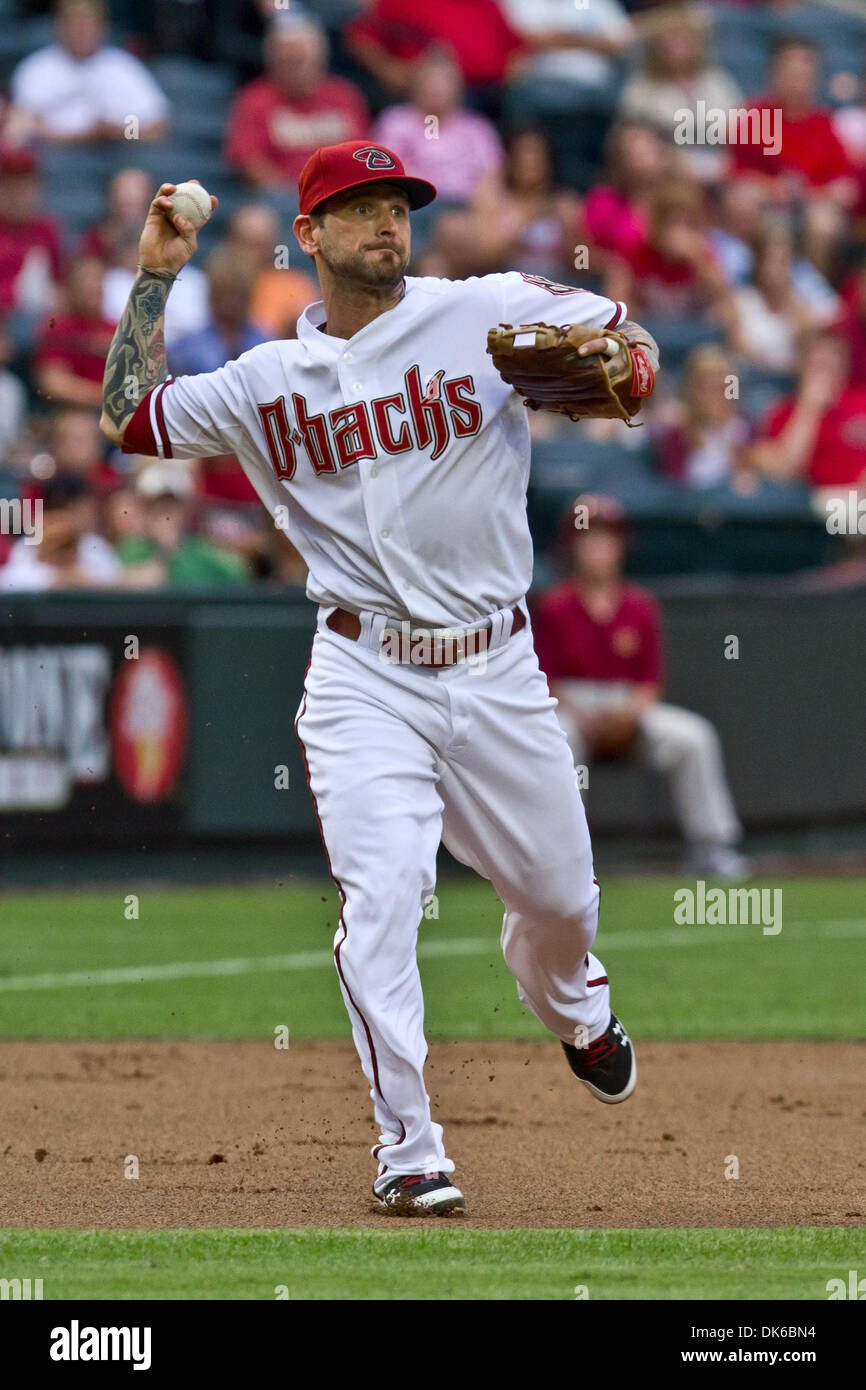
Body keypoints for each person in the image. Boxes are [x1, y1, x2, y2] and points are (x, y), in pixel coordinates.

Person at [100, 140, 661, 1216]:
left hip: (497, 668)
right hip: (365, 675)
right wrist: (158, 268)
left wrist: (628, 355)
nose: (385, 224)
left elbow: (621, 334)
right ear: (306, 234)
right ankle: (408, 1149)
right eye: (357, 208)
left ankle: (574, 1007)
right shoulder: (267, 382)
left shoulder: (483, 309)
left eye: (396, 205)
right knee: (383, 898)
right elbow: (131, 416)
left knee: (559, 900)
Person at [533, 495, 746, 879]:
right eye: (589, 538)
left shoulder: (639, 604)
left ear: (621, 546)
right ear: (572, 546)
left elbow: (650, 682)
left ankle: (712, 848)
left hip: (628, 706)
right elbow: (543, 679)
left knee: (693, 737)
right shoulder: (555, 605)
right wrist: (585, 716)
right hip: (571, 708)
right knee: (559, 742)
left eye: (606, 539)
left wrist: (628, 714)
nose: (598, 548)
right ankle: (564, 861)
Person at [224, 14, 369, 189]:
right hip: (279, 199)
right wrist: (297, 196)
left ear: (321, 57)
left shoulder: (343, 95)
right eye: (290, 59)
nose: (298, 65)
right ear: (272, 60)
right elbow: (249, 162)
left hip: (339, 199)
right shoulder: (255, 98)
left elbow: (362, 156)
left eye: (303, 57)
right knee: (253, 217)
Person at [10, 0, 169, 143]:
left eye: (88, 25)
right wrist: (78, 134)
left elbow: (154, 125)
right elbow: (22, 124)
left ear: (103, 28)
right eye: (74, 25)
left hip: (113, 157)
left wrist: (120, 130)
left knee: (132, 175)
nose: (81, 32)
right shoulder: (38, 68)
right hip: (53, 158)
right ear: (59, 27)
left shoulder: (122, 67)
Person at [372, 49, 504, 203]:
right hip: (417, 204)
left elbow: (491, 173)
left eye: (444, 81)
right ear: (417, 85)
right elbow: (389, 168)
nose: (437, 88)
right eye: (431, 81)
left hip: (466, 207)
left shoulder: (477, 128)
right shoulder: (397, 121)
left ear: (457, 87)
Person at [750, 332, 866, 490]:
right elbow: (787, 468)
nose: (827, 359)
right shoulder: (784, 412)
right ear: (802, 363)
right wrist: (809, 408)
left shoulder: (861, 398)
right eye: (818, 353)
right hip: (827, 503)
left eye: (834, 353)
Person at [472, 129, 578, 279]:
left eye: (537, 155)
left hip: (556, 287)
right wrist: (526, 219)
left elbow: (581, 264)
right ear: (511, 159)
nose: (530, 162)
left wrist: (571, 233)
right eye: (523, 155)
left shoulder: (564, 200)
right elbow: (485, 257)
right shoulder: (494, 195)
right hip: (507, 287)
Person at [651, 345, 754, 490]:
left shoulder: (745, 428)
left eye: (722, 389)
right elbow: (675, 492)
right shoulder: (675, 435)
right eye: (707, 389)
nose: (715, 397)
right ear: (692, 391)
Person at [169, 246, 268, 377]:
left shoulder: (265, 344)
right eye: (223, 294)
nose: (229, 304)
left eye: (237, 295)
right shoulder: (186, 348)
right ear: (212, 295)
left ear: (248, 297)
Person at [226, 203, 318, 342]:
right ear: (232, 242)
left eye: (262, 244)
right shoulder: (222, 285)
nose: (255, 253)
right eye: (247, 243)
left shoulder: (295, 285)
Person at [33, 256, 116, 408]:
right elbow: (53, 383)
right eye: (84, 280)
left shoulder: (118, 328)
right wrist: (108, 397)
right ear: (70, 287)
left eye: (97, 279)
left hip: (116, 411)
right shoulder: (56, 326)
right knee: (78, 429)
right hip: (72, 410)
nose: (92, 286)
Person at [0, 147, 63, 319]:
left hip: (41, 322)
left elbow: (59, 281)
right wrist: (16, 293)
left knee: (55, 321)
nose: (19, 195)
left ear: (37, 188)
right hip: (3, 322)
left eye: (26, 187)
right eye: (12, 187)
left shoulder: (47, 228)